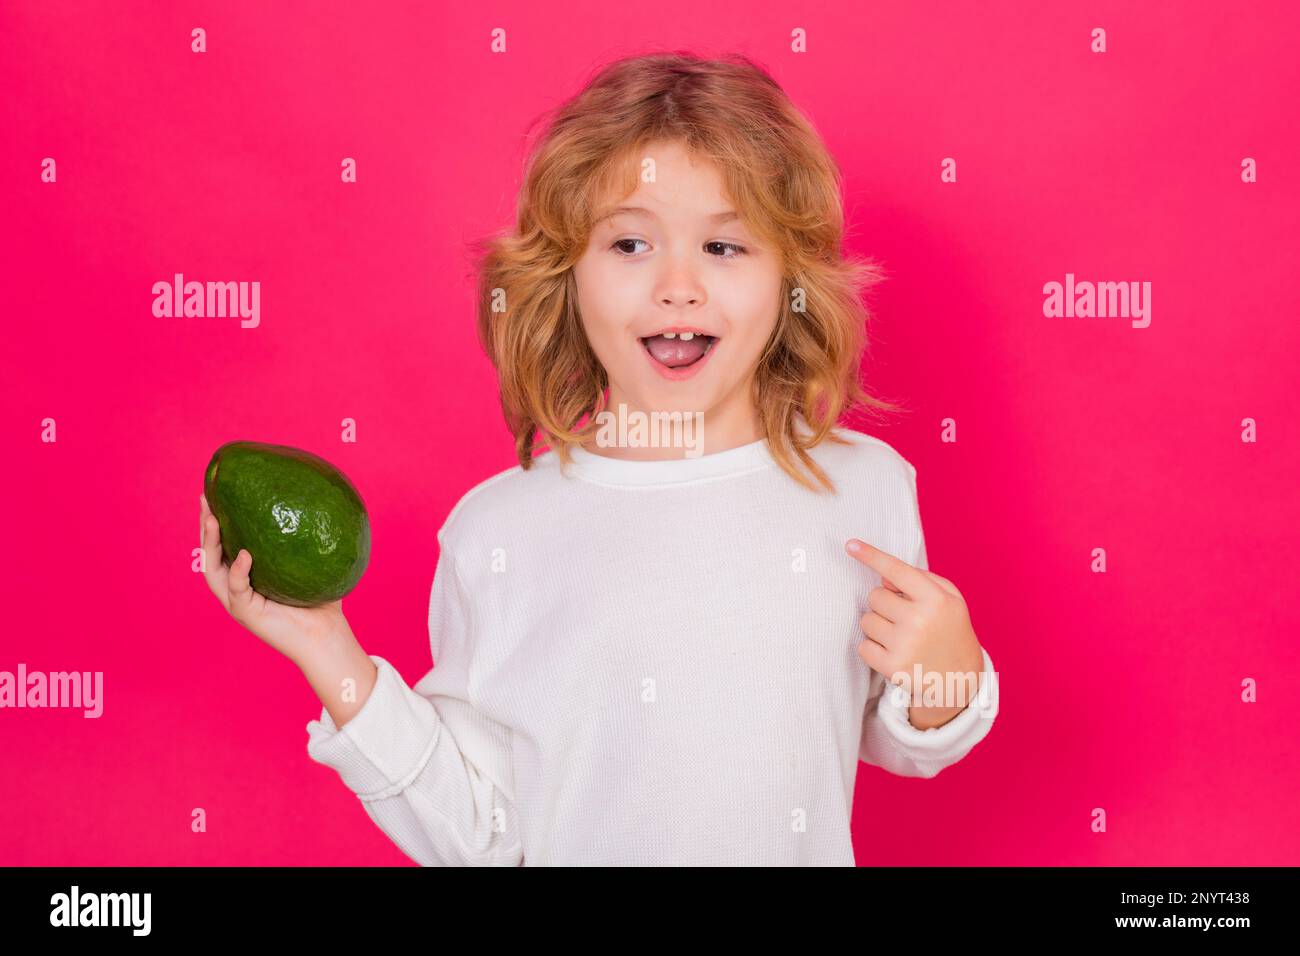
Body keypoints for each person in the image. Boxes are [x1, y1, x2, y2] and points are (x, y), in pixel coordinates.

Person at [199, 51, 998, 866]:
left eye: (724, 248)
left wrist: (952, 675)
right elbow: (483, 831)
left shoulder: (864, 490)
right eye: (629, 245)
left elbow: (903, 741)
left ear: (790, 279)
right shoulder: (496, 531)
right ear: (567, 278)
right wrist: (325, 647)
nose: (679, 286)